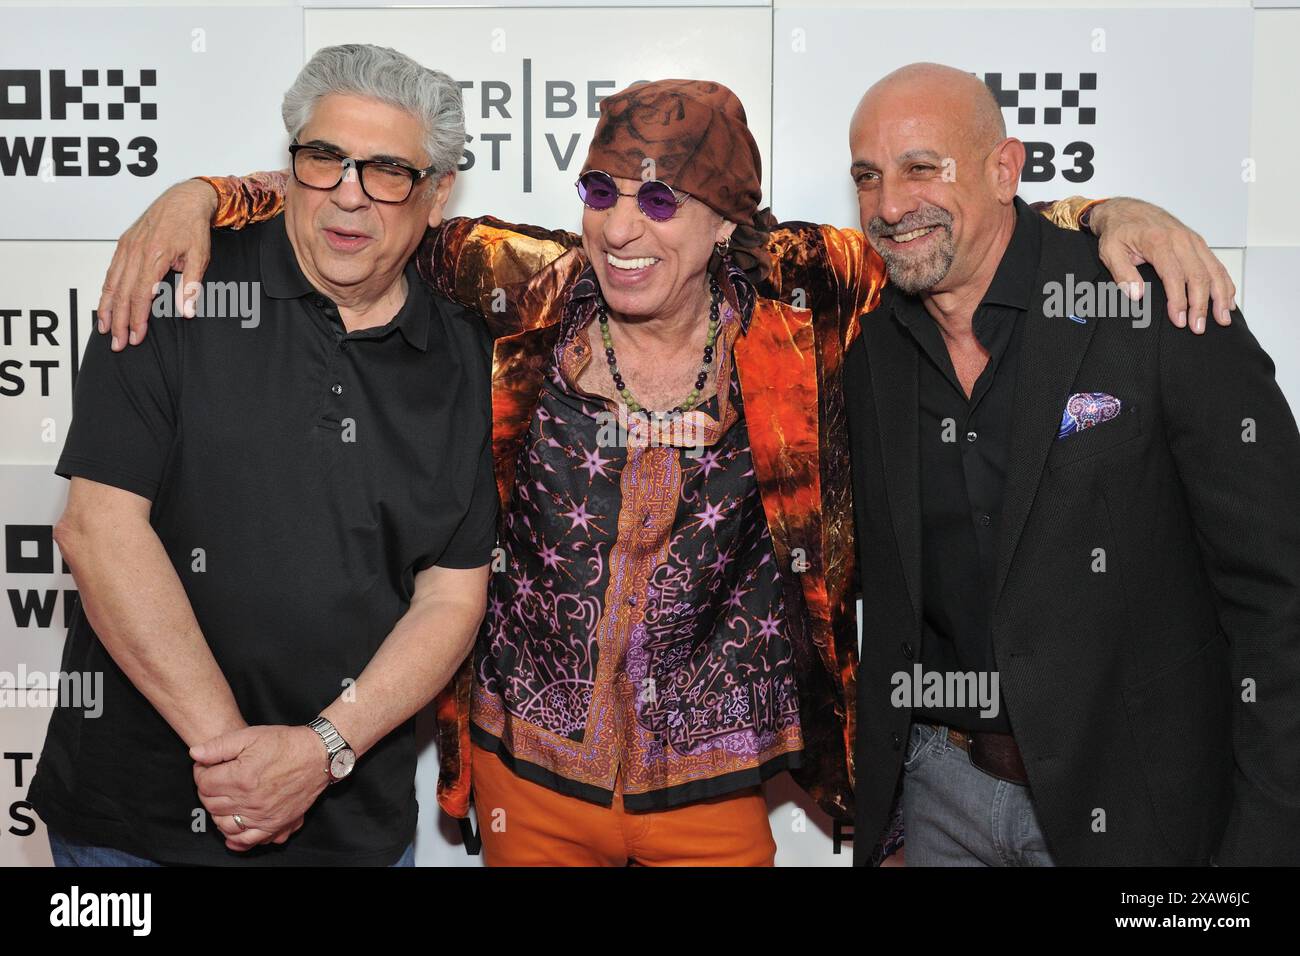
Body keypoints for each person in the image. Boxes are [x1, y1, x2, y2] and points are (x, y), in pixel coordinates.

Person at [96, 76, 1231, 866]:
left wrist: (1101, 210)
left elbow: (950, 226)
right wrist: (200, 194)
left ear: (727, 222)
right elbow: (361, 196)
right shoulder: (517, 279)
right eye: (599, 191)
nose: (620, 226)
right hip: (522, 774)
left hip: (715, 785)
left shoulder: (804, 291)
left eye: (659, 199)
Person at [28, 44, 497, 866]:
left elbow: (451, 597)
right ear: (288, 168)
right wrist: (238, 765)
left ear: (437, 192)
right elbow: (99, 533)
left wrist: (321, 751)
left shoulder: (466, 353)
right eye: (325, 159)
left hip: (351, 830)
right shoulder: (175, 286)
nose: (349, 196)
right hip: (131, 829)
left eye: (387, 170)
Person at [845, 62, 1300, 866]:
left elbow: (1279, 594)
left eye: (922, 168)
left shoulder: (1153, 303)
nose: (889, 205)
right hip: (939, 798)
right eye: (868, 177)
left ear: (1003, 169)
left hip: (1138, 811)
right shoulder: (869, 345)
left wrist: (1266, 840)